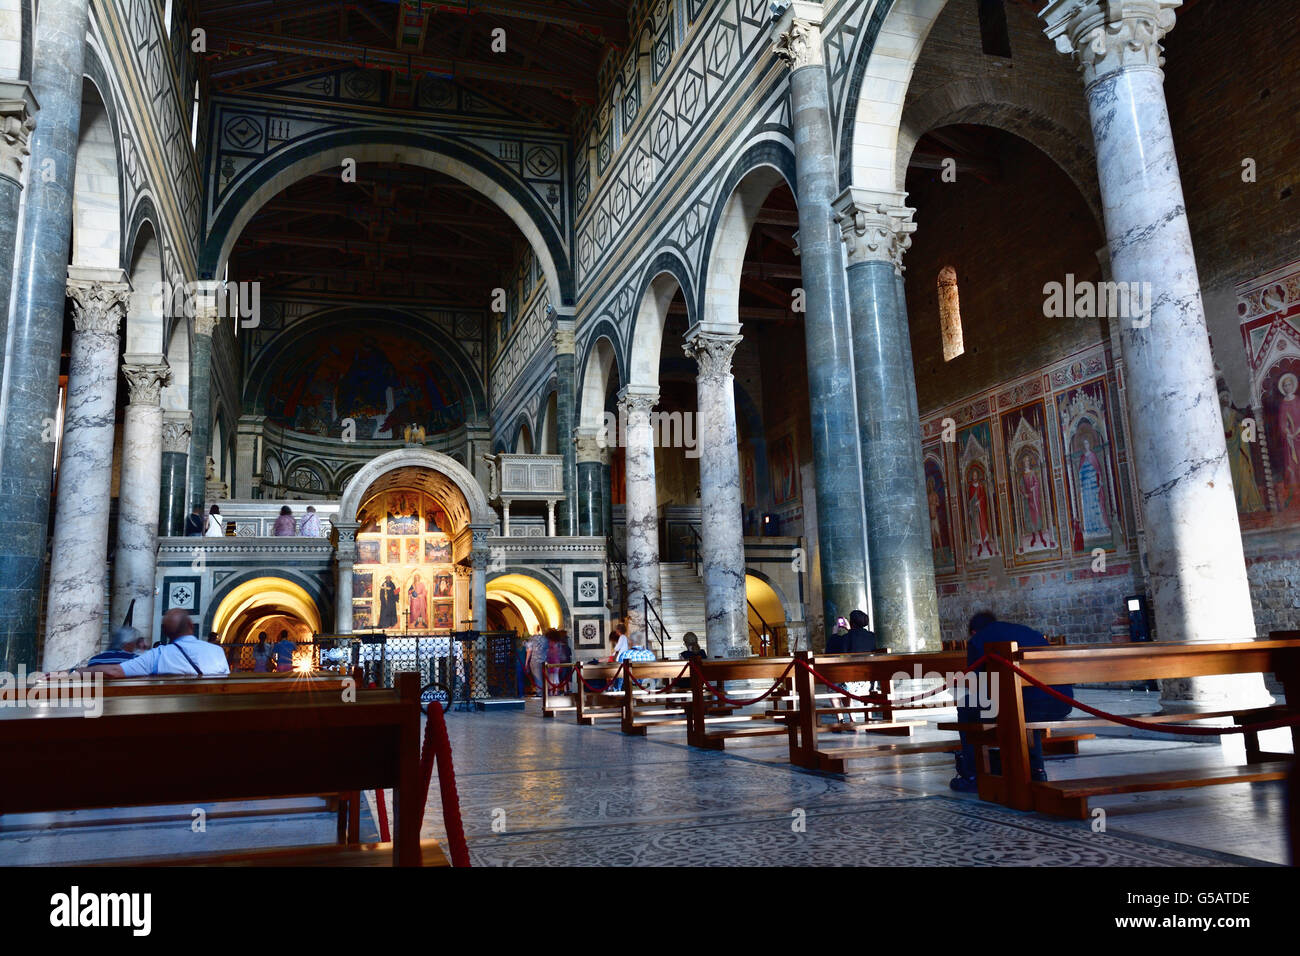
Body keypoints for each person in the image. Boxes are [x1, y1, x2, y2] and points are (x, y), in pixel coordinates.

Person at [950, 611, 1075, 792]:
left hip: (1028, 703)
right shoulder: (1026, 632)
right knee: (1024, 712)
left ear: (974, 632)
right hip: (1062, 702)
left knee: (967, 707)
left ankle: (973, 775)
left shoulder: (979, 640)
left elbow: (978, 685)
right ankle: (1036, 770)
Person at [79, 609, 230, 677]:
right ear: (191, 625)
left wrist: (73, 672)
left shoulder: (157, 655)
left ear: (165, 632)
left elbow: (114, 671)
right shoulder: (217, 652)